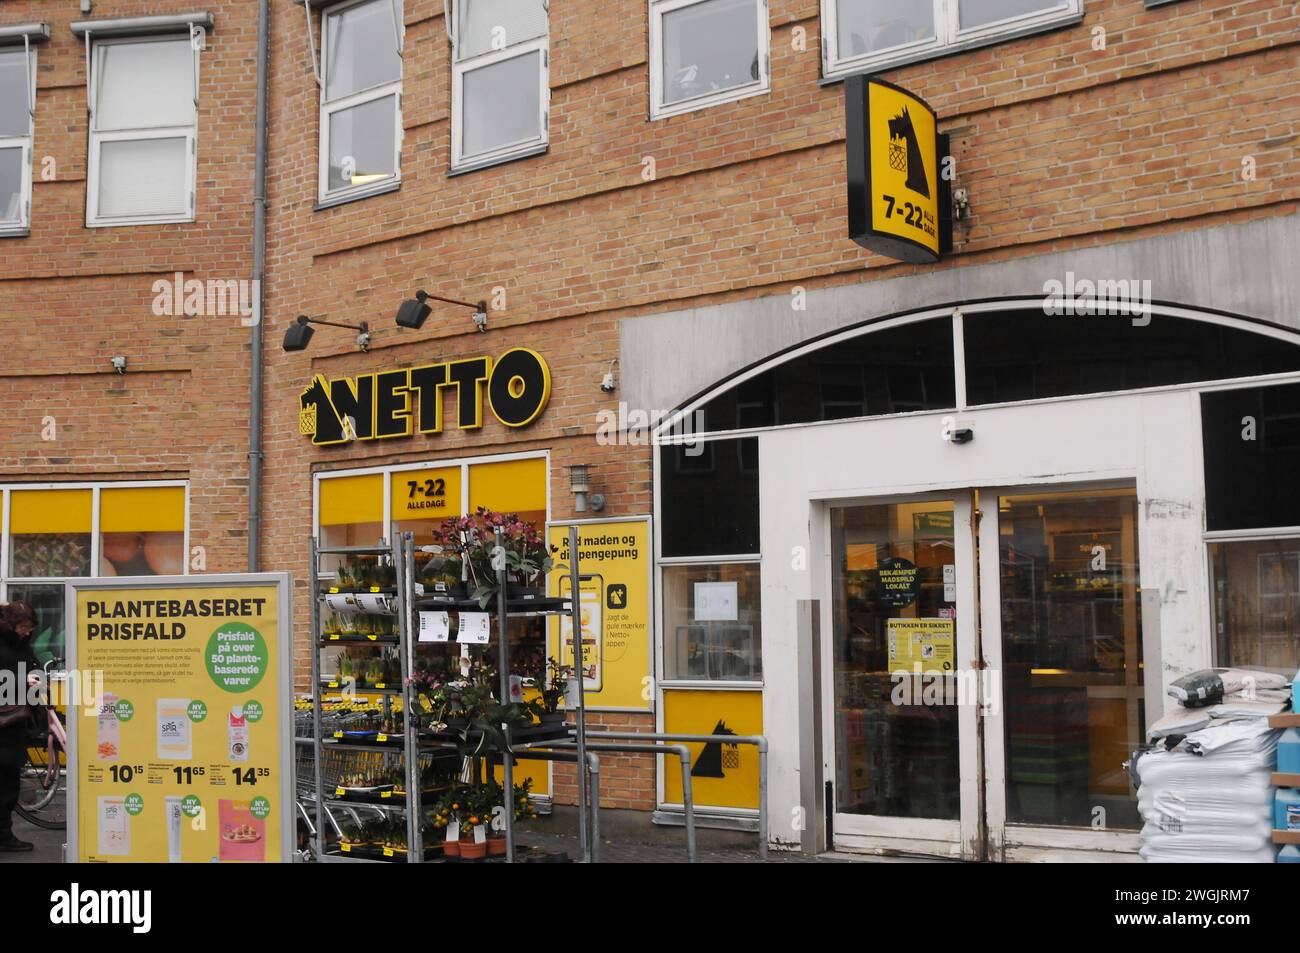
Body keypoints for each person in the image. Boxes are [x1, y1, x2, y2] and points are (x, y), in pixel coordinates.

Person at [0, 601, 40, 852]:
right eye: (23, 626)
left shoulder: (22, 645)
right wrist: (20, 678)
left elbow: (32, 664)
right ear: (11, 624)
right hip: (3, 725)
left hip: (15, 725)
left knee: (9, 784)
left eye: (30, 627)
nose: (27, 631)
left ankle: (4, 835)